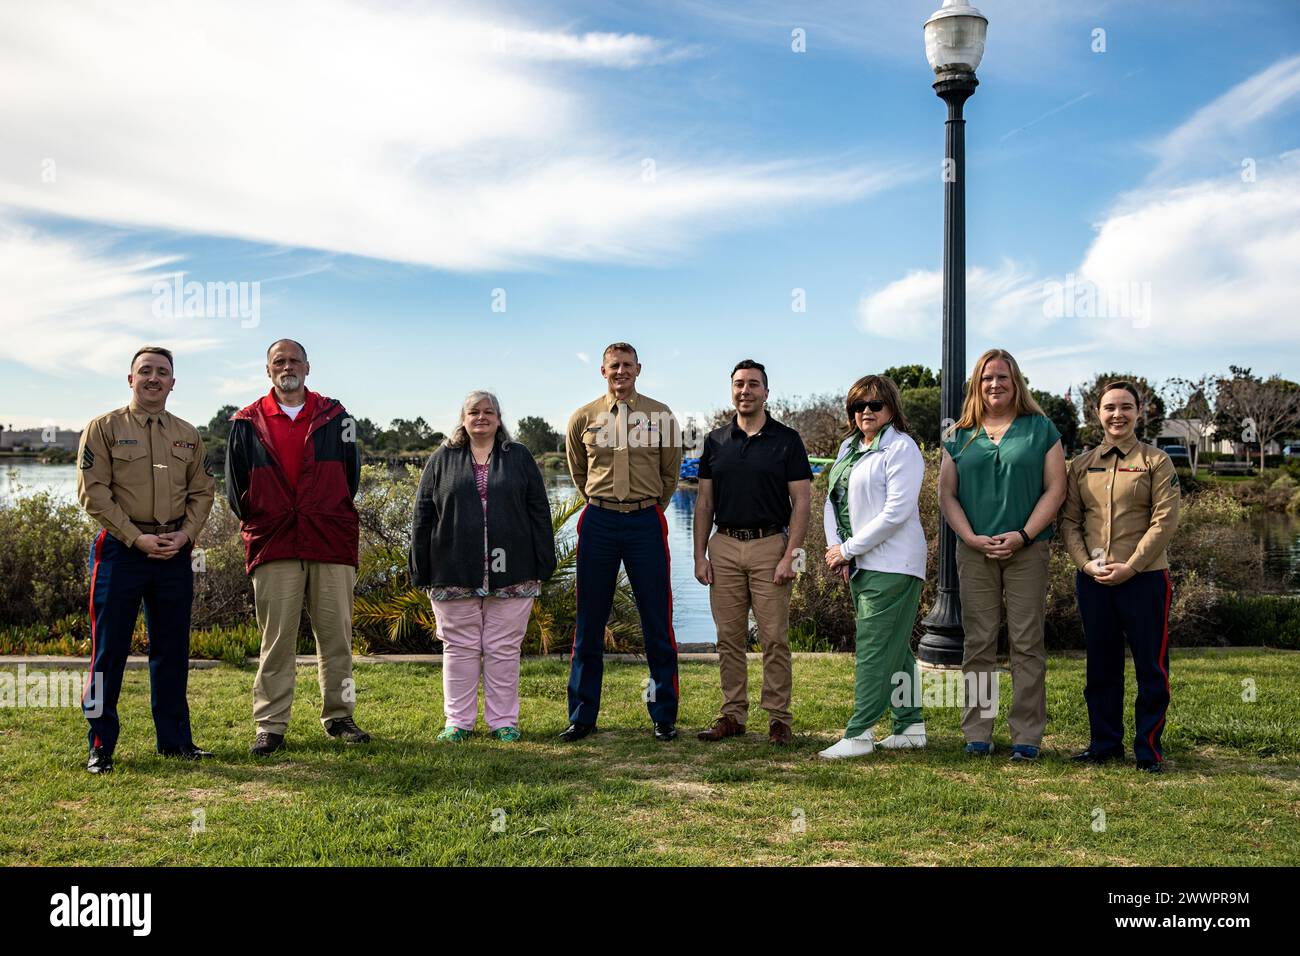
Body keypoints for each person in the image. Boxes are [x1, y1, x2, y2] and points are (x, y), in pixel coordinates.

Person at [225, 339, 368, 755]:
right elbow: (236, 490)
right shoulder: (246, 422)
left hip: (329, 539)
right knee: (276, 639)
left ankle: (340, 717)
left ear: (308, 367)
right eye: (278, 361)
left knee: (337, 636)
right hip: (274, 541)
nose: (287, 366)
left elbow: (350, 478)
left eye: (294, 360)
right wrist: (265, 517)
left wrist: (322, 510)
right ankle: (270, 725)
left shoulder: (338, 417)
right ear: (268, 370)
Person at [76, 346, 215, 773]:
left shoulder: (188, 434)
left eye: (163, 372)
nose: (154, 378)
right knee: (108, 651)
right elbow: (92, 492)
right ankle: (101, 743)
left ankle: (175, 741)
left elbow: (203, 492)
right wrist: (136, 538)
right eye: (146, 371)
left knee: (172, 649)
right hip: (121, 550)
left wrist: (186, 536)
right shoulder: (103, 428)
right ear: (130, 379)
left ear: (173, 382)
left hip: (175, 550)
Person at [939, 348, 1066, 761]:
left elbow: (1055, 489)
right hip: (974, 552)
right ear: (977, 383)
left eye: (1003, 377)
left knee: (1027, 642)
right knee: (978, 642)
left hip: (1027, 550)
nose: (995, 384)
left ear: (1016, 383)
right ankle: (978, 730)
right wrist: (971, 537)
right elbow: (947, 494)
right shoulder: (958, 434)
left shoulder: (1041, 429)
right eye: (987, 378)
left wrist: (1025, 535)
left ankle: (1027, 734)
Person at [410, 391, 556, 742]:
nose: (481, 417)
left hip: (514, 570)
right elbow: (423, 515)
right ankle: (457, 722)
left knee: (503, 647)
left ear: (499, 418)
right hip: (452, 568)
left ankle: (504, 721)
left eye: (488, 411)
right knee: (459, 648)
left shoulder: (518, 457)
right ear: (462, 418)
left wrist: (543, 560)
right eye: (473, 412)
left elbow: (539, 511)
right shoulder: (441, 459)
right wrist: (420, 565)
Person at [563, 342, 683, 742]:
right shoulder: (582, 418)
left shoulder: (661, 415)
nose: (620, 372)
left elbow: (670, 472)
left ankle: (663, 715)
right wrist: (602, 504)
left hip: (645, 522)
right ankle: (582, 717)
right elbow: (578, 473)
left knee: (656, 622)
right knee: (589, 623)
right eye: (614, 366)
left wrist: (651, 508)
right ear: (602, 370)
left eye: (627, 366)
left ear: (639, 369)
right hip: (597, 521)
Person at [1059, 381, 1180, 773]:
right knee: (1101, 666)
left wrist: (1132, 566)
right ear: (1097, 414)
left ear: (1138, 412)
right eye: (1110, 407)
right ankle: (1104, 745)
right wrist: (1085, 564)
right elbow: (1070, 522)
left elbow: (1164, 522)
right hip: (1094, 581)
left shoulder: (1156, 462)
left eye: (1126, 407)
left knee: (1151, 667)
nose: (1118, 415)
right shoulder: (1081, 465)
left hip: (1144, 580)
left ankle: (1149, 750)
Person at [694, 360, 812, 745]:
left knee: (774, 636)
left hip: (770, 545)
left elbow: (803, 502)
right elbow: (704, 504)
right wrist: (699, 556)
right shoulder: (714, 441)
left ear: (766, 391)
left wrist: (792, 556)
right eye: (739, 384)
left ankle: (779, 719)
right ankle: (733, 715)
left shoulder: (787, 440)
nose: (745, 391)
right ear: (732, 390)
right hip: (724, 545)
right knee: (728, 637)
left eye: (753, 385)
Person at [818, 375, 928, 759]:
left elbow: (896, 512)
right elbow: (831, 501)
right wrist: (837, 548)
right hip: (860, 560)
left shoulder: (901, 448)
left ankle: (859, 733)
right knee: (896, 650)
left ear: (891, 408)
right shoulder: (849, 447)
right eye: (857, 406)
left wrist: (847, 549)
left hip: (893, 563)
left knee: (874, 647)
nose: (866, 411)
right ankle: (910, 726)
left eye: (875, 405)